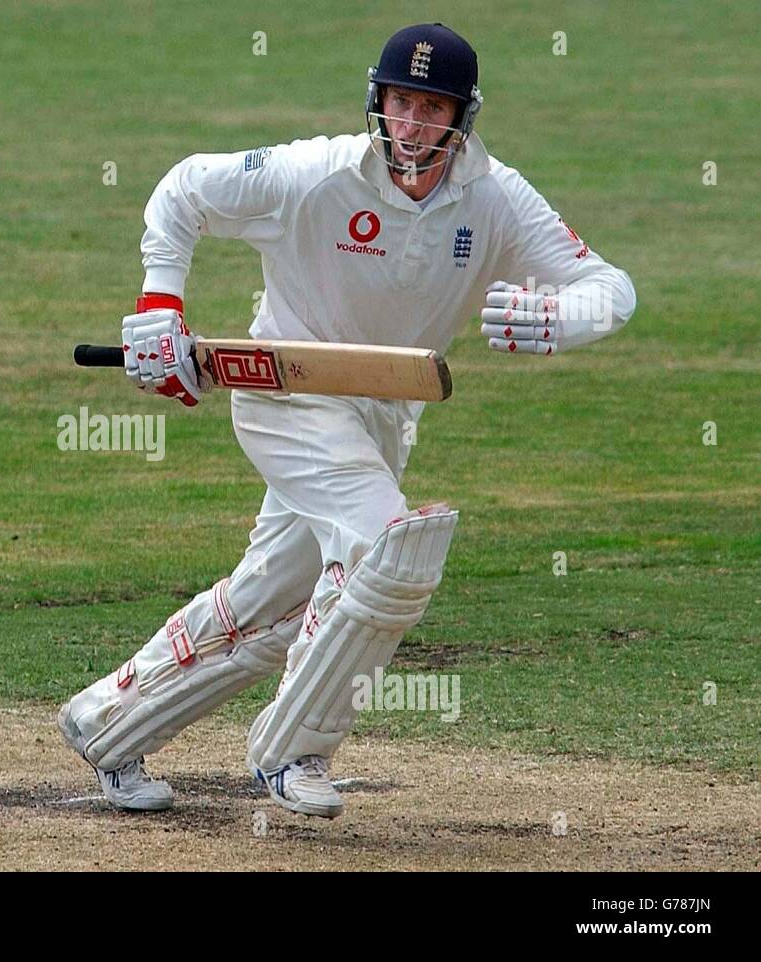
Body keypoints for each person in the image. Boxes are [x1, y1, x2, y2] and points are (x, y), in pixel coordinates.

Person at [58, 22, 636, 817]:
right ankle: (292, 750)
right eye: (399, 102)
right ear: (378, 101)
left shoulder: (496, 198)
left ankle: (107, 723)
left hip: (385, 413)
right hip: (285, 392)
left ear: (461, 118)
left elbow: (609, 286)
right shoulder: (316, 174)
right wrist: (161, 300)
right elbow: (186, 187)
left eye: (430, 108)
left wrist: (558, 319)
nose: (410, 126)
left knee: (271, 606)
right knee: (385, 545)